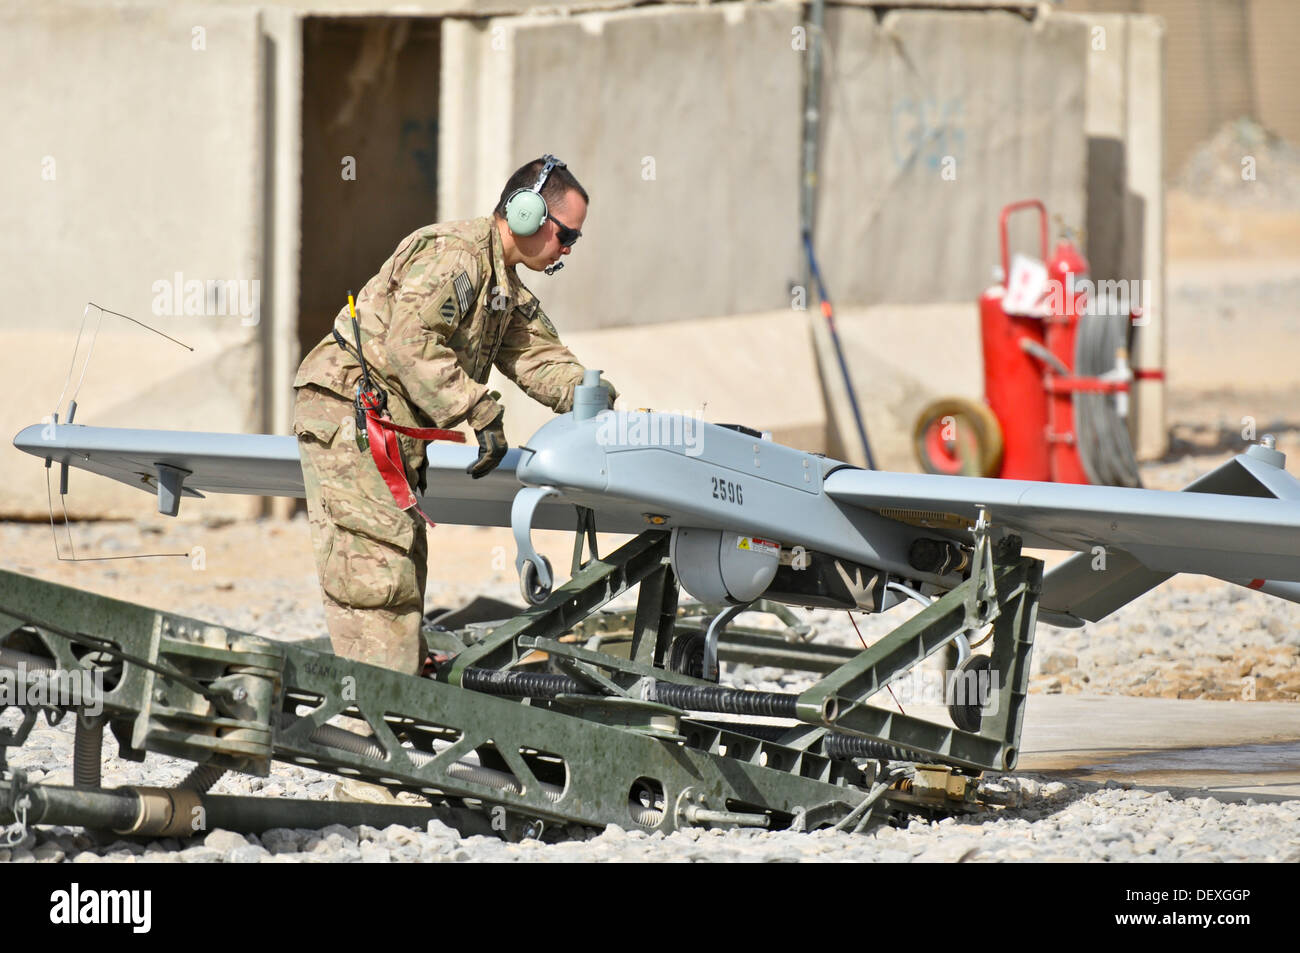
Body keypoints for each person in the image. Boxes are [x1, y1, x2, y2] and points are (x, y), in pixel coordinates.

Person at [292, 155, 616, 676]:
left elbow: (540, 360)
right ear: (528, 213)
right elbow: (408, 342)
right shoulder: (455, 256)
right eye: (566, 235)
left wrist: (605, 408)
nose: (568, 249)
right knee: (378, 567)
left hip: (385, 425)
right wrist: (478, 410)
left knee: (402, 562)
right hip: (351, 410)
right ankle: (371, 715)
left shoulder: (501, 286)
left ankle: (393, 697)